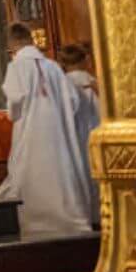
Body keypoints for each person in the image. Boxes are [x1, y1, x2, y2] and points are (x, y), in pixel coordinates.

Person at [0, 22, 97, 235]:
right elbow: (72, 101)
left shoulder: (16, 67)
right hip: (58, 134)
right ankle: (69, 219)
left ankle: (38, 222)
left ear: (13, 45)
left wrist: (13, 113)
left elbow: (15, 100)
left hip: (31, 132)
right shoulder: (52, 66)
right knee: (61, 171)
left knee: (30, 172)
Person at [56, 42, 101, 208]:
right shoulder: (94, 82)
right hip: (96, 132)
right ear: (85, 60)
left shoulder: (62, 84)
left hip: (72, 136)